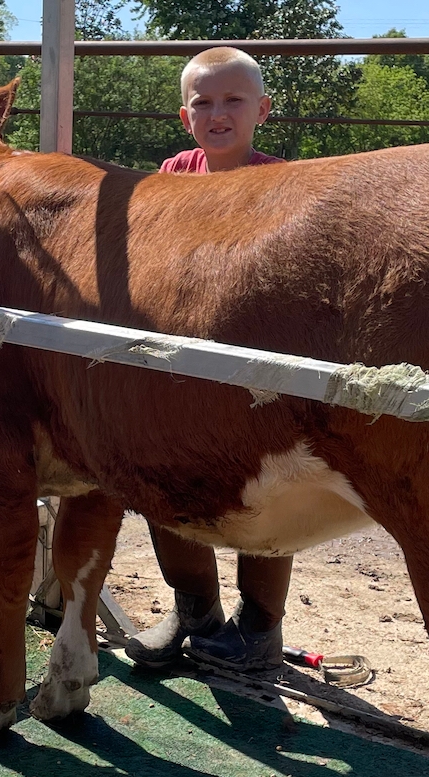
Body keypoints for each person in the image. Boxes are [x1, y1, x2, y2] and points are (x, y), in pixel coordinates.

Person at [125, 47, 294, 674]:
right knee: (159, 470)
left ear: (262, 111)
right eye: (203, 103)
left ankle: (261, 625)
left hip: (259, 366)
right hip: (184, 358)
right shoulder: (174, 175)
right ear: (185, 115)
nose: (218, 114)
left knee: (272, 486)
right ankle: (194, 609)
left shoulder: (284, 183)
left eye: (233, 101)